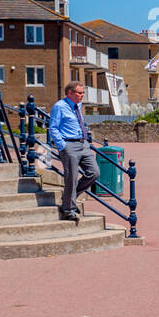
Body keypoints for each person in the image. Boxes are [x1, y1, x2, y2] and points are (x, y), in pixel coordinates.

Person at [48, 81, 99, 222]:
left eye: (83, 93)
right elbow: (53, 127)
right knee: (71, 177)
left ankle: (69, 198)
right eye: (79, 93)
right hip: (69, 145)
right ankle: (68, 209)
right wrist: (62, 146)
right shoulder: (59, 106)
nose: (82, 95)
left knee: (94, 172)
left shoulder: (78, 106)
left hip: (83, 144)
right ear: (70, 93)